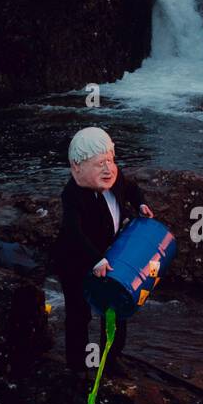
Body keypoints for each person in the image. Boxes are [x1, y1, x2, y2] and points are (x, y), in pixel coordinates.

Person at [50, 127, 153, 376]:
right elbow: (73, 232)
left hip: (110, 255)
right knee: (79, 313)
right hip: (76, 259)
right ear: (77, 168)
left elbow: (132, 189)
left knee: (116, 311)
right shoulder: (72, 194)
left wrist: (140, 203)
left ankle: (110, 358)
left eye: (110, 160)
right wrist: (95, 259)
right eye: (99, 164)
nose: (108, 169)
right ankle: (77, 365)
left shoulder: (114, 176)